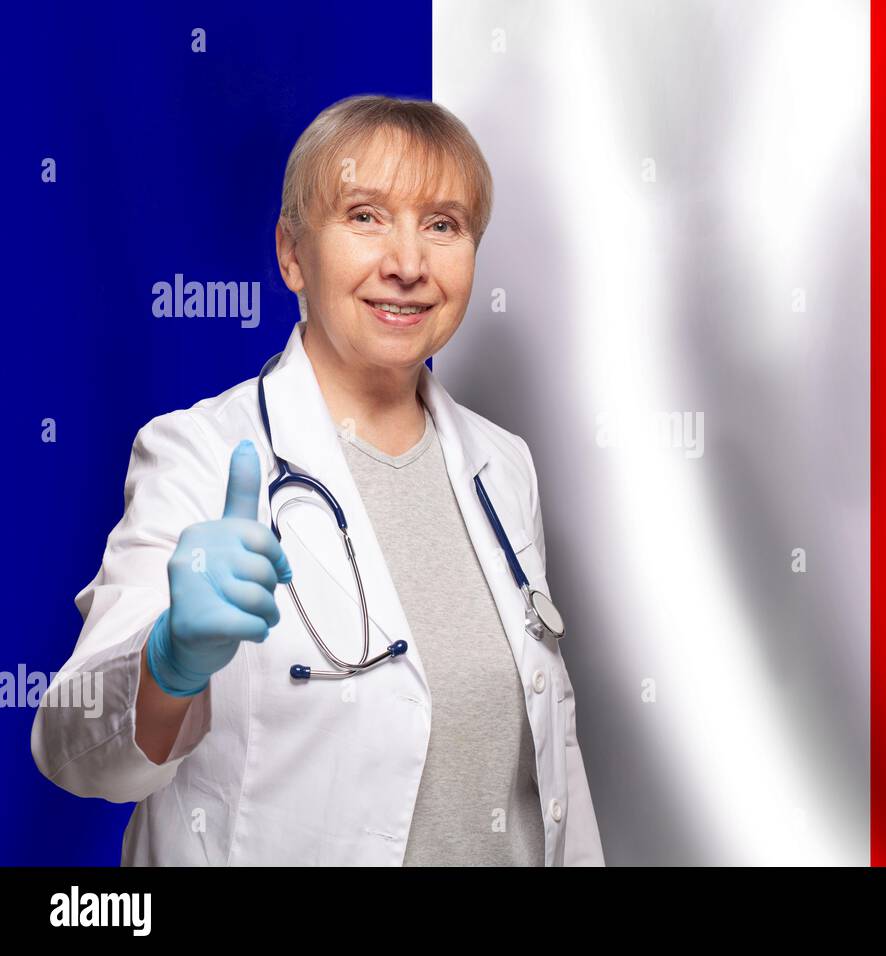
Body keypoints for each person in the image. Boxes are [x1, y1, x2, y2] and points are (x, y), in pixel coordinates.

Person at [30, 94, 605, 866]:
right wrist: (166, 663)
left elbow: (551, 770)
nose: (407, 263)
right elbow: (71, 743)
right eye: (366, 216)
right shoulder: (198, 453)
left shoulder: (503, 466)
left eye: (444, 225)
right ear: (292, 254)